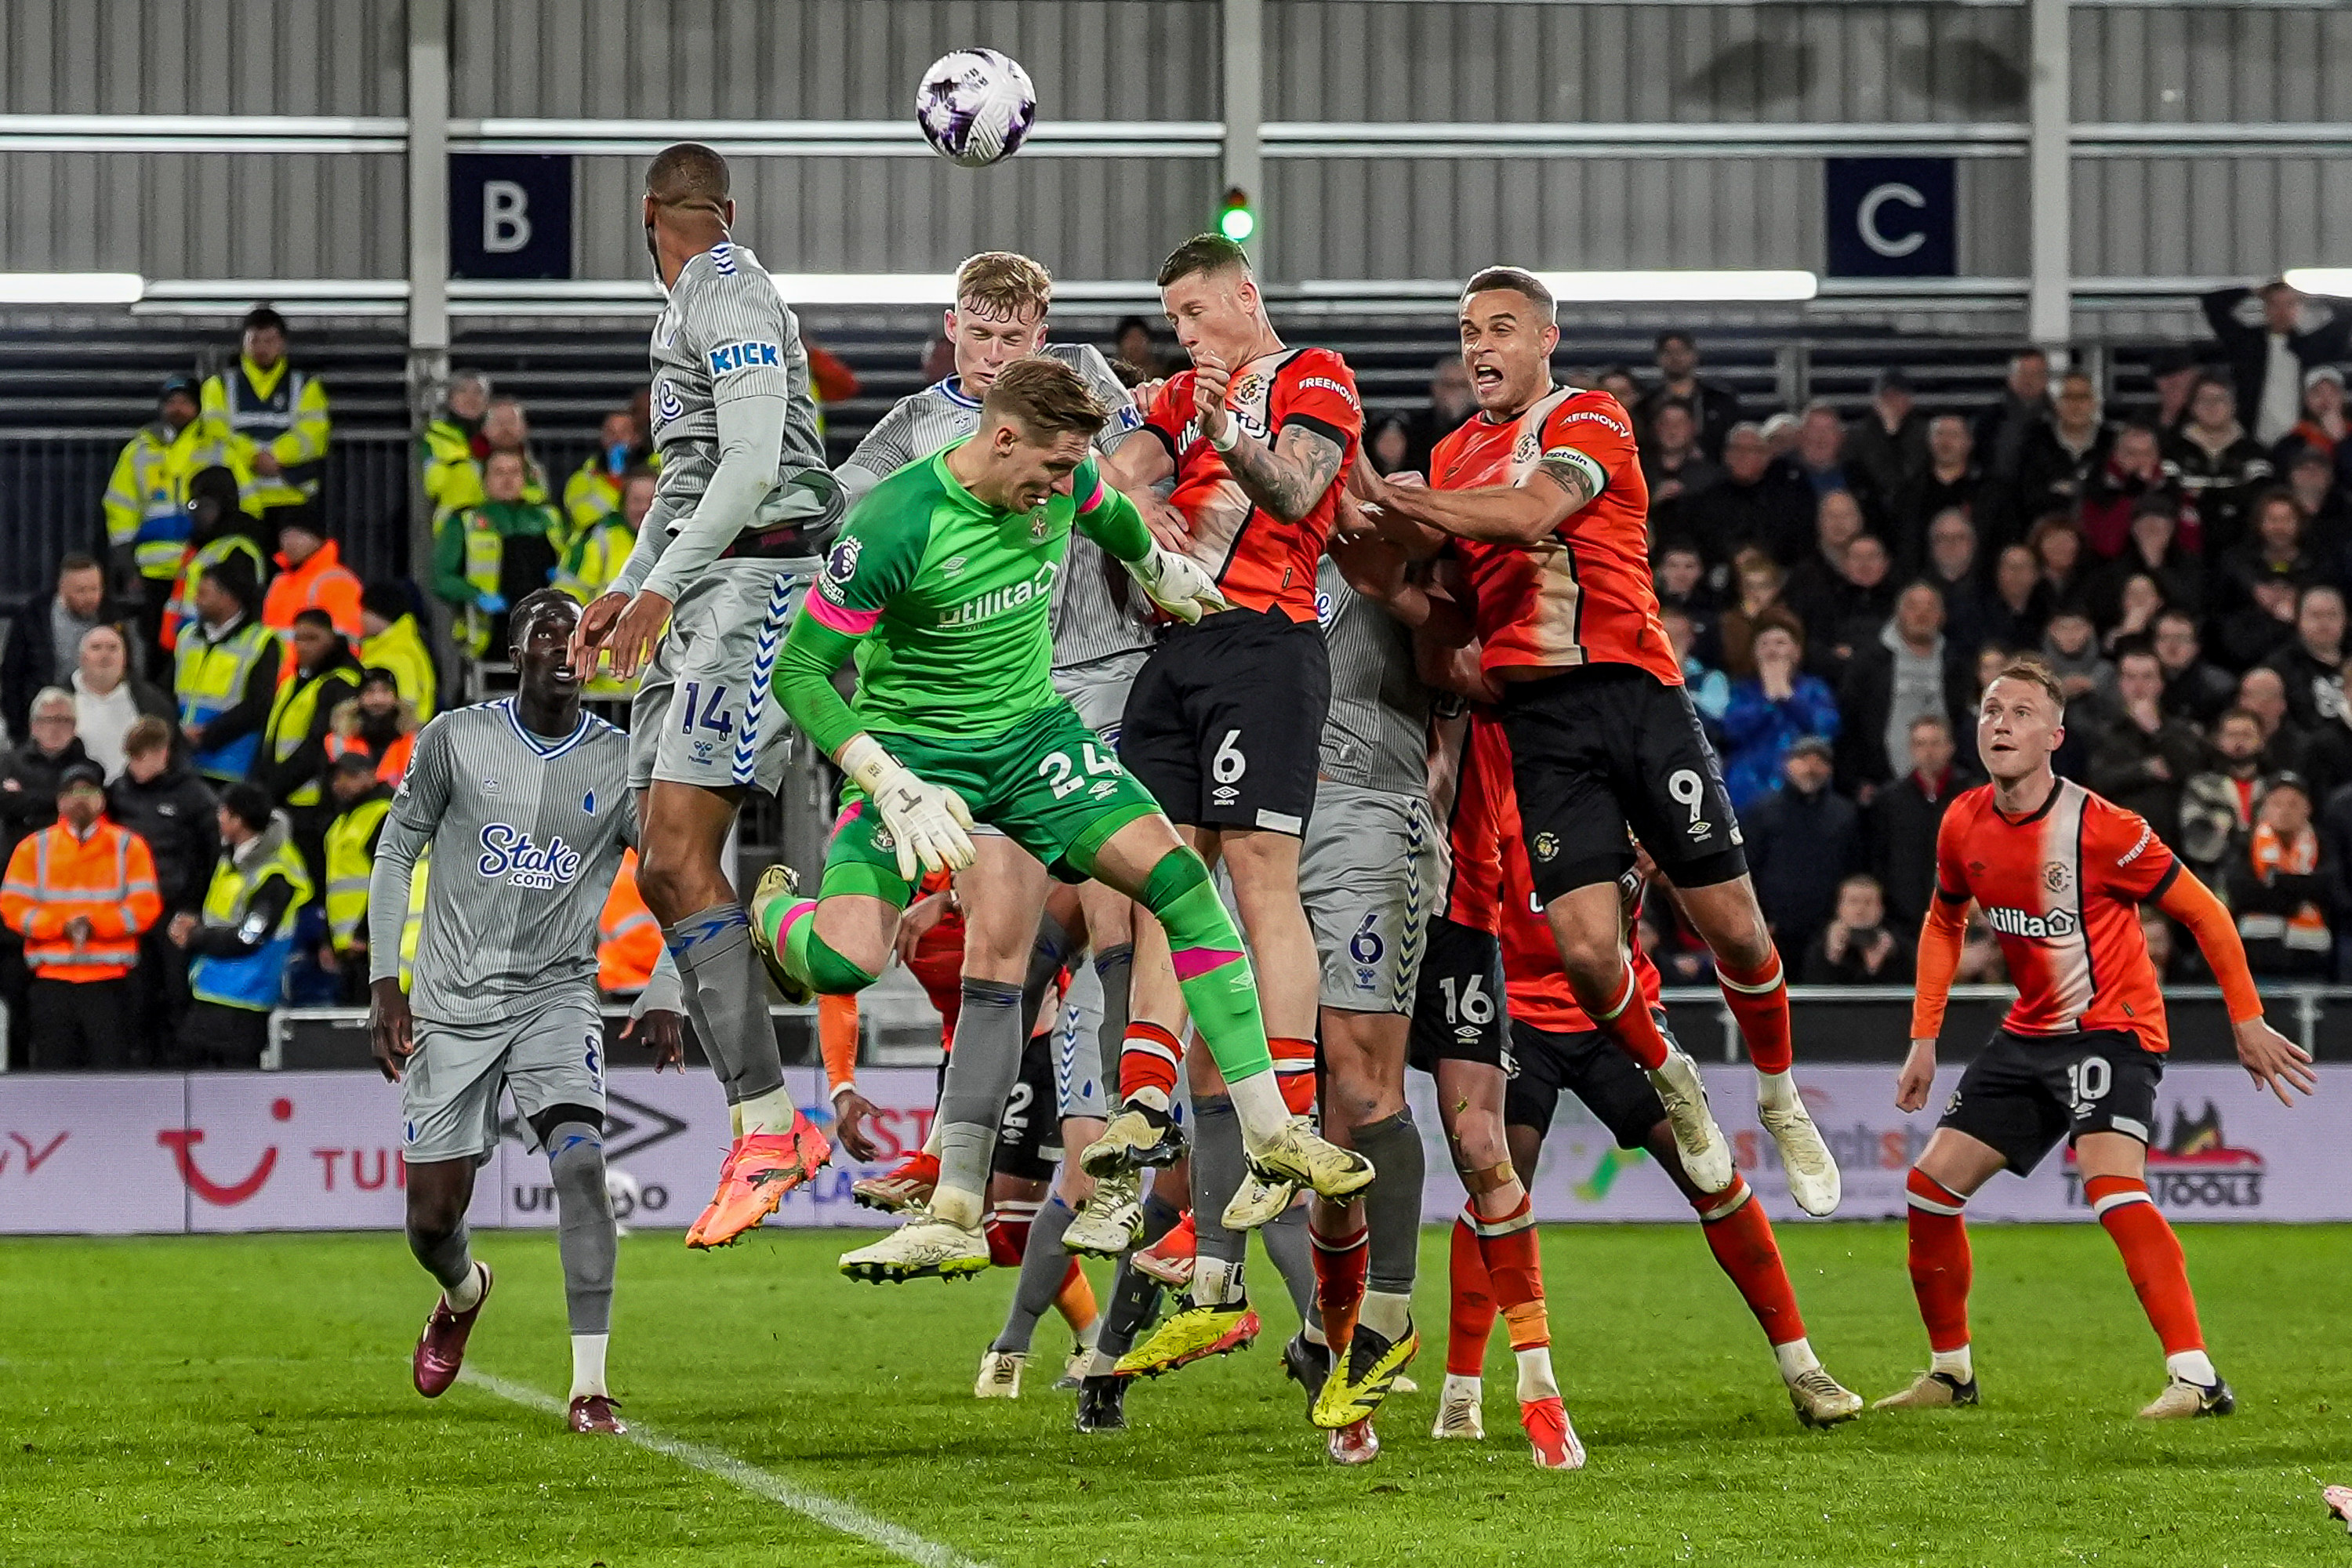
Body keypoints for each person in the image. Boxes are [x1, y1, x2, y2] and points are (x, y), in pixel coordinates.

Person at [749, 354, 1364, 1287]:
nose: (1059, 485)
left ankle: (1275, 1129)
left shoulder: (1067, 476)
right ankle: (772, 919)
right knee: (844, 960)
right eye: (1048, 466)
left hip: (1035, 741)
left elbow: (1112, 514)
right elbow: (799, 672)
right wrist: (885, 779)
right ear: (1002, 439)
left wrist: (1163, 571)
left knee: (1182, 885)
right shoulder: (892, 523)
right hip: (916, 758)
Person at [1360, 266, 1839, 1214]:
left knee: (1737, 929)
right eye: (1467, 331)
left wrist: (1397, 498)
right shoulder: (1454, 452)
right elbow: (1436, 593)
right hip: (1538, 718)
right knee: (1587, 953)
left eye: (1500, 328)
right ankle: (1673, 1076)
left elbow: (1535, 512)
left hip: (1635, 694)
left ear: (1546, 339)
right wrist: (1350, 526)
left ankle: (1782, 1098)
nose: (1479, 347)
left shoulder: (1593, 416)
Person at [823, 251, 1151, 1273]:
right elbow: (841, 509)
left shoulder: (1090, 388)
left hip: (1099, 676)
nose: (995, 353)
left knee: (1111, 906)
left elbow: (1144, 475)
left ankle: (1112, 1160)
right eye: (980, 334)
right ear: (952, 327)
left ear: (1042, 336)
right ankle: (970, 1186)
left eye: (1015, 338)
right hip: (984, 710)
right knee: (1001, 944)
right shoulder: (918, 426)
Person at [1882, 654, 2315, 1418]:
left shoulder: (2103, 827)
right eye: (1990, 710)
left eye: (2019, 712)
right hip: (2028, 1032)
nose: (2001, 723)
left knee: (2112, 1185)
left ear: (2056, 733)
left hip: (2112, 1028)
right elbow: (1944, 919)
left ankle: (2198, 1377)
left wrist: (2246, 1020)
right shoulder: (1962, 821)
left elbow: (2207, 913)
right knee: (1928, 1189)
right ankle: (1951, 1373)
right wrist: (1925, 1037)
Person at [566, 143, 844, 1247]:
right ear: (717, 206)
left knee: (683, 851)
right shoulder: (691, 302)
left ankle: (777, 1106)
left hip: (759, 581)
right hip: (701, 587)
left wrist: (662, 589)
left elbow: (744, 468)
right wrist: (630, 584)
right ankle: (768, 1116)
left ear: (652, 215)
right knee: (661, 856)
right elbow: (686, 483)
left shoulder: (729, 289)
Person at [1083, 233, 1375, 1215]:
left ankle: (1287, 1114)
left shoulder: (1317, 375)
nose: (1184, 332)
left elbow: (1295, 490)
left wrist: (1223, 430)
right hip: (1176, 651)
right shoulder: (1171, 395)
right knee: (1167, 878)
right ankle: (1145, 1095)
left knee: (1258, 876)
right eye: (1172, 319)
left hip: (1267, 642)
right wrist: (1132, 498)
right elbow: (1107, 474)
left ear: (1245, 297)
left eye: (1194, 313)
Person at [367, 589, 684, 1436]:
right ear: (515, 653)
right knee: (433, 1220)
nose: (562, 645)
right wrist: (382, 978)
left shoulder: (622, 763)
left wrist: (666, 982)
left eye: (577, 632)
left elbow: (676, 875)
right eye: (543, 632)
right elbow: (397, 848)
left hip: (556, 997)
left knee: (582, 1164)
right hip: (451, 1002)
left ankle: (590, 1387)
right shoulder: (455, 739)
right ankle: (464, 1291)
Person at [0, 762, 159, 1070]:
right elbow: (12, 906)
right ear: (59, 801)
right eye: (71, 792)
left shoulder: (129, 846)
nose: (80, 798)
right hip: (51, 981)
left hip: (110, 981)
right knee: (54, 1072)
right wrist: (61, 926)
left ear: (102, 799)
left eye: (88, 790)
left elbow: (145, 906)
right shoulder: (34, 848)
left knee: (111, 1072)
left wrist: (95, 926)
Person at [172, 782, 311, 1067]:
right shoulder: (231, 858)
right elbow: (222, 915)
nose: (218, 819)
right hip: (212, 989)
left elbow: (249, 936)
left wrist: (195, 936)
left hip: (247, 1000)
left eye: (223, 813)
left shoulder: (276, 873)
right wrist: (195, 922)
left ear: (238, 820)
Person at [108, 717, 216, 1048]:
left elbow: (209, 857)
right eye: (131, 758)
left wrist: (193, 907)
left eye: (141, 758)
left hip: (174, 910)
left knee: (175, 990)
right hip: (132, 910)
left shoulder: (194, 795)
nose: (135, 766)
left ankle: (178, 1062)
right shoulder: (118, 792)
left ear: (162, 753)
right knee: (135, 993)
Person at [102, 374, 214, 657]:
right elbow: (121, 510)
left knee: (199, 645)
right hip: (152, 574)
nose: (177, 408)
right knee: (156, 648)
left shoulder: (217, 448)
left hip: (201, 570)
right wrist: (128, 567)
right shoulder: (138, 451)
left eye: (185, 402)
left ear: (199, 407)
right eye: (172, 402)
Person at [253, 609, 363, 877]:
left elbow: (316, 747)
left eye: (312, 638)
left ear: (332, 639)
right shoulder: (294, 682)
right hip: (285, 801)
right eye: (298, 638)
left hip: (314, 806)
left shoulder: (341, 683)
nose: (302, 646)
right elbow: (272, 739)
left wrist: (271, 787)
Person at [1837, 579, 1974, 795]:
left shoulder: (1955, 664)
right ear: (1897, 613)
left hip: (1945, 789)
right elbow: (1850, 723)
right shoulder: (1869, 662)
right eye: (1913, 607)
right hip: (1881, 786)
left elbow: (1962, 724)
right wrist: (1855, 782)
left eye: (1930, 607)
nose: (1922, 614)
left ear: (1942, 616)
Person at [199, 304, 329, 527]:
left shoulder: (306, 386)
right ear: (243, 344)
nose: (262, 348)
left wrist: (275, 456)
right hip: (239, 501)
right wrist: (254, 457)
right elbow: (214, 433)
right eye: (255, 341)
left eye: (269, 341)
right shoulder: (218, 385)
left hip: (293, 500)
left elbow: (314, 436)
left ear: (282, 343)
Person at [433, 447, 565, 662]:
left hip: (545, 633)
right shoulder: (465, 522)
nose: (508, 480)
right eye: (499, 472)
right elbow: (442, 579)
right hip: (490, 636)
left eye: (515, 472)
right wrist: (476, 595)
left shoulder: (548, 518)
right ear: (485, 480)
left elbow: (570, 565)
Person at [1741, 736, 1862, 960]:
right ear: (1788, 765)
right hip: (1774, 930)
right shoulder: (1762, 812)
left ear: (1829, 769)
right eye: (1803, 761)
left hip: (1829, 931)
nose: (1811, 769)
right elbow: (1748, 869)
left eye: (1819, 762)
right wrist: (1758, 919)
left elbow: (1854, 870)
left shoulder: (1845, 814)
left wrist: (1843, 920)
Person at [2200, 278, 2352, 448]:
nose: (2282, 312)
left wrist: (2310, 294)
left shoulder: (2312, 347)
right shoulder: (2246, 344)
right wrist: (2253, 290)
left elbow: (2347, 312)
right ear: (2265, 308)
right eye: (2275, 304)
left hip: (2301, 445)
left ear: (2300, 308)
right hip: (2251, 441)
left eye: (2290, 304)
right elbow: (2213, 303)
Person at [2, 554, 129, 742]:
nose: (90, 597)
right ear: (62, 588)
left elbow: (127, 669)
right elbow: (12, 675)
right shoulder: (33, 618)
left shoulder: (111, 618)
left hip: (98, 717)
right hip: (44, 718)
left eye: (95, 589)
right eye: (81, 590)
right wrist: (19, 729)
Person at [2087, 648, 2205, 850]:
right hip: (2119, 843)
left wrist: (2156, 731)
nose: (2139, 686)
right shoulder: (2103, 731)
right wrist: (2145, 770)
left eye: (2147, 677)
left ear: (2160, 684)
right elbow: (2098, 781)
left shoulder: (2180, 730)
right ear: (2120, 684)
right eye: (2130, 678)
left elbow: (2194, 773)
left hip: (2173, 843)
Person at [1719, 620, 1838, 812]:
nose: (1772, 650)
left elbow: (1826, 730)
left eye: (1780, 643)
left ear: (1797, 652)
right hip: (1749, 794)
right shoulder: (1742, 691)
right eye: (1764, 644)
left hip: (1804, 790)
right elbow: (1731, 732)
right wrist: (1767, 701)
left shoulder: (1815, 689)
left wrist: (1789, 699)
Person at [158, 466, 270, 664]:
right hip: (193, 646)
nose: (197, 513)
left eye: (205, 505)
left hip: (222, 652)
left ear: (224, 506)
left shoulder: (238, 550)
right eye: (193, 505)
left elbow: (239, 613)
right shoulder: (201, 546)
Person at [2227, 773, 2333, 978]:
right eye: (2276, 803)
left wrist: (2276, 882)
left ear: (2307, 808)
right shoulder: (2244, 842)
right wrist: (2295, 900)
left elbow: (2328, 887)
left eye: (2293, 804)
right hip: (2254, 957)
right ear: (2265, 808)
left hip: (2310, 959)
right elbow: (2241, 892)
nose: (2284, 811)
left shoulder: (2324, 844)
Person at [1871, 714, 1969, 931]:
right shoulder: (1890, 799)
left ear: (1950, 747)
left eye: (1936, 743)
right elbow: (1879, 857)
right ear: (1911, 749)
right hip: (1903, 918)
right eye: (1920, 744)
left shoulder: (1971, 796)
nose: (1928, 752)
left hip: (1959, 915)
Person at [2166, 376, 2276, 557]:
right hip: (2183, 548)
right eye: (2204, 400)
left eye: (2220, 399)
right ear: (2192, 407)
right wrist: (2227, 496)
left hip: (2242, 546)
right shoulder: (2173, 450)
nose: (2212, 406)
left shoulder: (2254, 451)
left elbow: (2259, 497)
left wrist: (2201, 495)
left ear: (2233, 406)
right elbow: (2170, 495)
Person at [317, 752, 394, 1005]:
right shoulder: (339, 822)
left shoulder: (384, 815)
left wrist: (364, 933)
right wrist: (328, 940)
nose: (341, 783)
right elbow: (330, 889)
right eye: (337, 777)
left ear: (371, 776)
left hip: (374, 946)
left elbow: (390, 880)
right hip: (347, 948)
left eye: (350, 776)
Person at [1681, 422, 1813, 567]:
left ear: (1766, 456)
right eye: (1736, 449)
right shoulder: (1708, 501)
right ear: (1726, 455)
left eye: (1751, 450)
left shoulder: (1787, 498)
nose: (1742, 456)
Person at [2013, 372, 2113, 531]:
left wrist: (2065, 490)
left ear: (2095, 403)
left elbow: (2111, 496)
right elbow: (2029, 495)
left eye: (2083, 397)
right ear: (2057, 404)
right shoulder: (2035, 442)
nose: (2076, 405)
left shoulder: (2112, 444)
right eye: (2069, 397)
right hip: (2046, 534)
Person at [2180, 708, 2267, 887]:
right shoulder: (2200, 787)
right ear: (2218, 741)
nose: (2240, 742)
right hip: (2215, 884)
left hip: (2266, 883)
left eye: (2247, 735)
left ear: (2261, 741)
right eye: (2232, 735)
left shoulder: (2274, 789)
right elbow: (2196, 844)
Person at [1845, 368, 1929, 528]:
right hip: (1870, 514)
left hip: (1917, 514)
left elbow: (1909, 476)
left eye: (1897, 396)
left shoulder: (1925, 434)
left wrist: (1893, 435)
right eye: (1885, 396)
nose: (1891, 402)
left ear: (1908, 400)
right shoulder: (1858, 436)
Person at [1638, 330, 1740, 459]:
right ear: (1658, 359)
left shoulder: (1720, 400)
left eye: (1681, 351)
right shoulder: (1645, 404)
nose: (1675, 357)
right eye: (1668, 352)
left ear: (1694, 355)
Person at [260, 511, 363, 642]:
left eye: (300, 535)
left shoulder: (337, 582)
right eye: (286, 535)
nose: (291, 542)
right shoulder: (280, 582)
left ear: (318, 539)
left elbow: (344, 638)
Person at [2263, 583, 2348, 732]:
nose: (2324, 623)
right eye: (2316, 615)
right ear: (2299, 619)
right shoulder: (2281, 667)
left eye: (2332, 615)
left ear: (2345, 620)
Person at [1898, 416, 1987, 556]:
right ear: (1929, 441)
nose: (1946, 442)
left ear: (1969, 442)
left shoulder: (1989, 492)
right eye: (1940, 434)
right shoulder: (1909, 493)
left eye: (1954, 435)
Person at [1801, 874, 1912, 985]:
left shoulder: (1899, 947)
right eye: (1853, 902)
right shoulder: (1820, 945)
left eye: (1868, 902)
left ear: (1881, 909)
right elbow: (1811, 986)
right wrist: (1831, 957)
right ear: (1839, 908)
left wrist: (1884, 961)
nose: (1860, 910)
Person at [357, 583, 438, 724]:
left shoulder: (396, 654)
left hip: (394, 740)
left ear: (379, 614)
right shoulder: (402, 645)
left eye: (364, 611)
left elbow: (406, 709)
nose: (360, 618)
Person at [419, 370, 491, 518]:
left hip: (498, 522)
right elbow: (433, 487)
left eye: (478, 392)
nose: (471, 398)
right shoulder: (435, 436)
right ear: (450, 399)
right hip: (456, 522)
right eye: (463, 391)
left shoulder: (499, 437)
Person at [1973, 347, 2053, 481]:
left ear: (2046, 379)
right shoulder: (1989, 419)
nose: (2029, 380)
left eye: (2036, 374)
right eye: (2024, 373)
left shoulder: (2059, 419)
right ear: (2010, 377)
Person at [2151, 609, 2236, 727]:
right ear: (2154, 645)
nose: (2172, 645)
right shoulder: (2143, 680)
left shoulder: (2217, 689)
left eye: (2181, 638)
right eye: (2165, 638)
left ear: (2195, 647)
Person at [564, 408, 641, 530]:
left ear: (636, 438)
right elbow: (582, 519)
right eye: (611, 433)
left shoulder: (651, 475)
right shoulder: (583, 479)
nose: (617, 438)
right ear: (603, 438)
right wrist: (614, 482)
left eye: (624, 432)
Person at [1403, 357, 1478, 474]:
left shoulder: (1487, 426)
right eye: (1449, 384)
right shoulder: (1416, 428)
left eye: (1462, 385)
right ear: (1435, 388)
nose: (1455, 391)